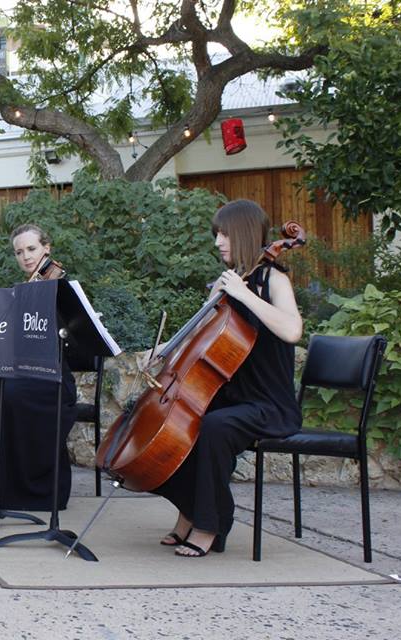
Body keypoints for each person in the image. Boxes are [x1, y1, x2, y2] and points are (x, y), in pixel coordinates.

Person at [152, 199, 303, 557]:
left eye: (224, 234)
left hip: (268, 404)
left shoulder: (272, 279)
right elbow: (199, 341)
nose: (218, 242)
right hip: (231, 396)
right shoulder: (225, 283)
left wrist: (242, 294)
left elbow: (292, 330)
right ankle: (189, 509)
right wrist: (164, 352)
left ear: (245, 234)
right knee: (178, 424)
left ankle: (210, 524)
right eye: (216, 235)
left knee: (214, 428)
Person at [0, 223, 77, 511]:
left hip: (52, 378)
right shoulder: (23, 291)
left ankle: (27, 491)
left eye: (31, 249)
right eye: (19, 252)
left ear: (47, 248)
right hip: (23, 372)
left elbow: (72, 338)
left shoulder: (62, 287)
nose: (26, 257)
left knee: (5, 394)